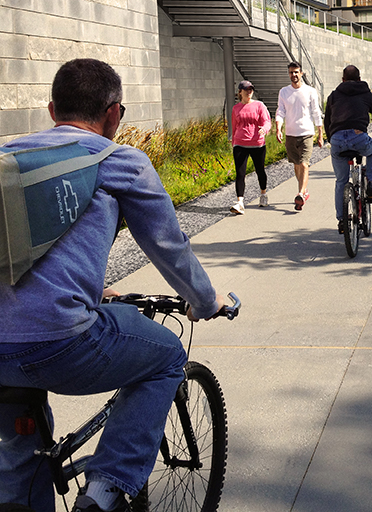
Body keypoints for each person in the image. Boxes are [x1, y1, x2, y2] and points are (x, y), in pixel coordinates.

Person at [0, 59, 223, 512]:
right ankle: (104, 494)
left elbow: (30, 245)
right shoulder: (118, 159)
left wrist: (95, 288)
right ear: (114, 114)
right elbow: (167, 244)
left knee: (21, 472)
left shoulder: (10, 159)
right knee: (165, 356)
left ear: (51, 110)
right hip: (60, 341)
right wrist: (205, 300)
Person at [324, 65, 372, 234]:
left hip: (337, 139)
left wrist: (331, 138)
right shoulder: (367, 94)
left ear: (343, 80)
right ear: (360, 79)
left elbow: (327, 120)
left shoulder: (334, 95)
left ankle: (342, 220)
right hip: (358, 137)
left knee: (341, 181)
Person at [275, 61, 324, 211]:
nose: (293, 75)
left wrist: (320, 134)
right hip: (290, 134)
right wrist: (278, 128)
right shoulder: (284, 92)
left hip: (307, 134)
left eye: (296, 72)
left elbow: (316, 112)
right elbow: (280, 111)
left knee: (304, 164)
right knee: (296, 165)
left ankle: (301, 193)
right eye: (291, 72)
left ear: (301, 73)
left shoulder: (310, 91)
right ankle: (304, 190)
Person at [230, 80, 272, 213]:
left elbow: (267, 121)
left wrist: (264, 130)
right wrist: (233, 142)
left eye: (251, 89)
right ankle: (240, 202)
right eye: (246, 90)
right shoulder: (236, 108)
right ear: (240, 92)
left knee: (260, 170)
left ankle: (263, 194)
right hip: (240, 144)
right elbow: (234, 126)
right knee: (240, 173)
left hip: (257, 144)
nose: (249, 92)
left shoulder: (259, 106)